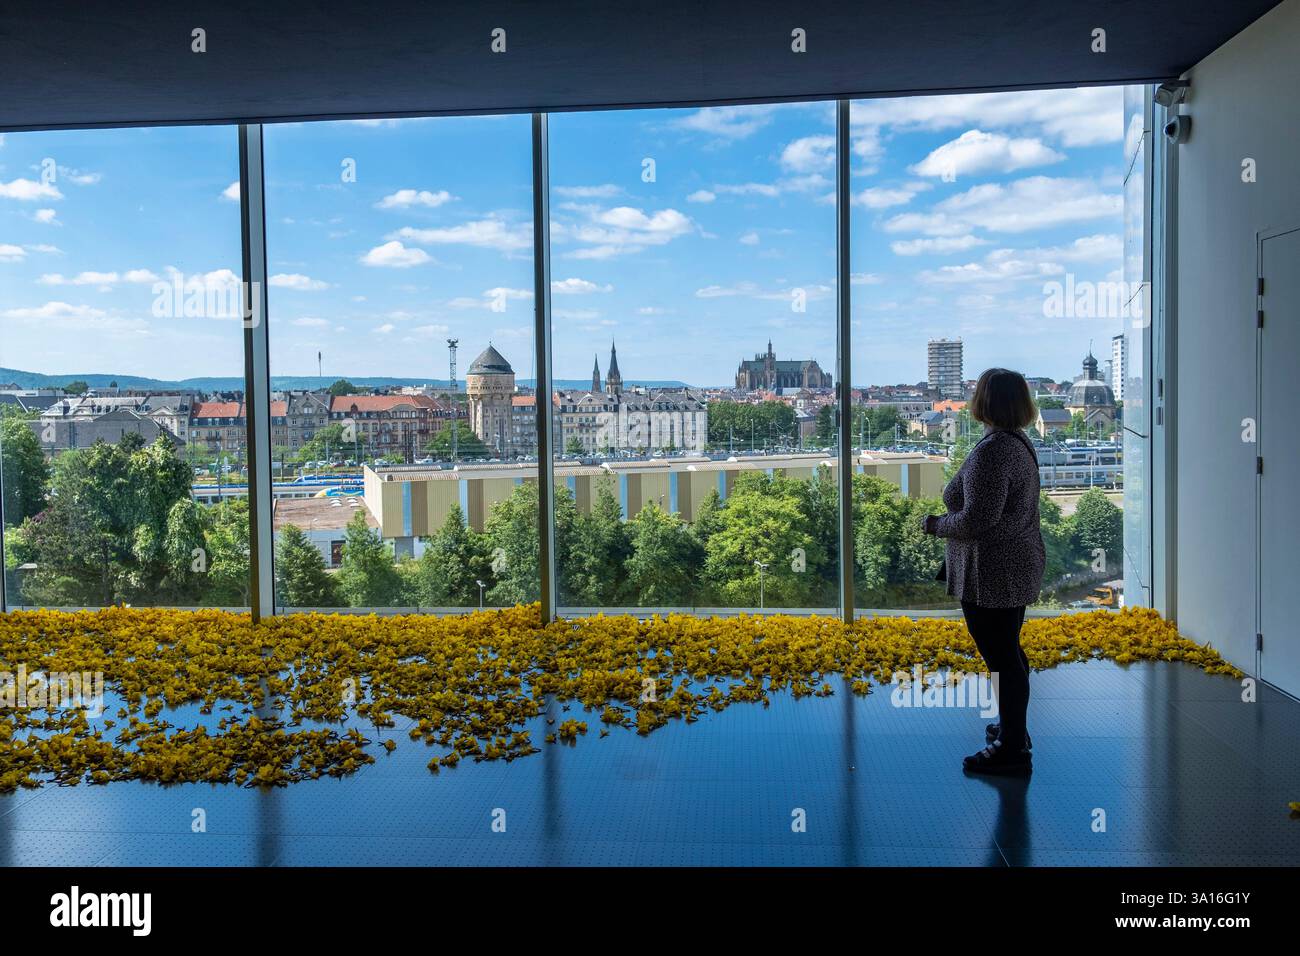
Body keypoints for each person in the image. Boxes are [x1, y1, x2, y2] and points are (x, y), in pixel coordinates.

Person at [921, 368, 1045, 775]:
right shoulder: (1018, 443)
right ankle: (1014, 731)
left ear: (984, 402)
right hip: (1011, 564)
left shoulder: (994, 451)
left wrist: (937, 525)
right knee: (1008, 651)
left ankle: (1012, 748)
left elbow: (977, 519)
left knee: (1001, 656)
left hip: (993, 569)